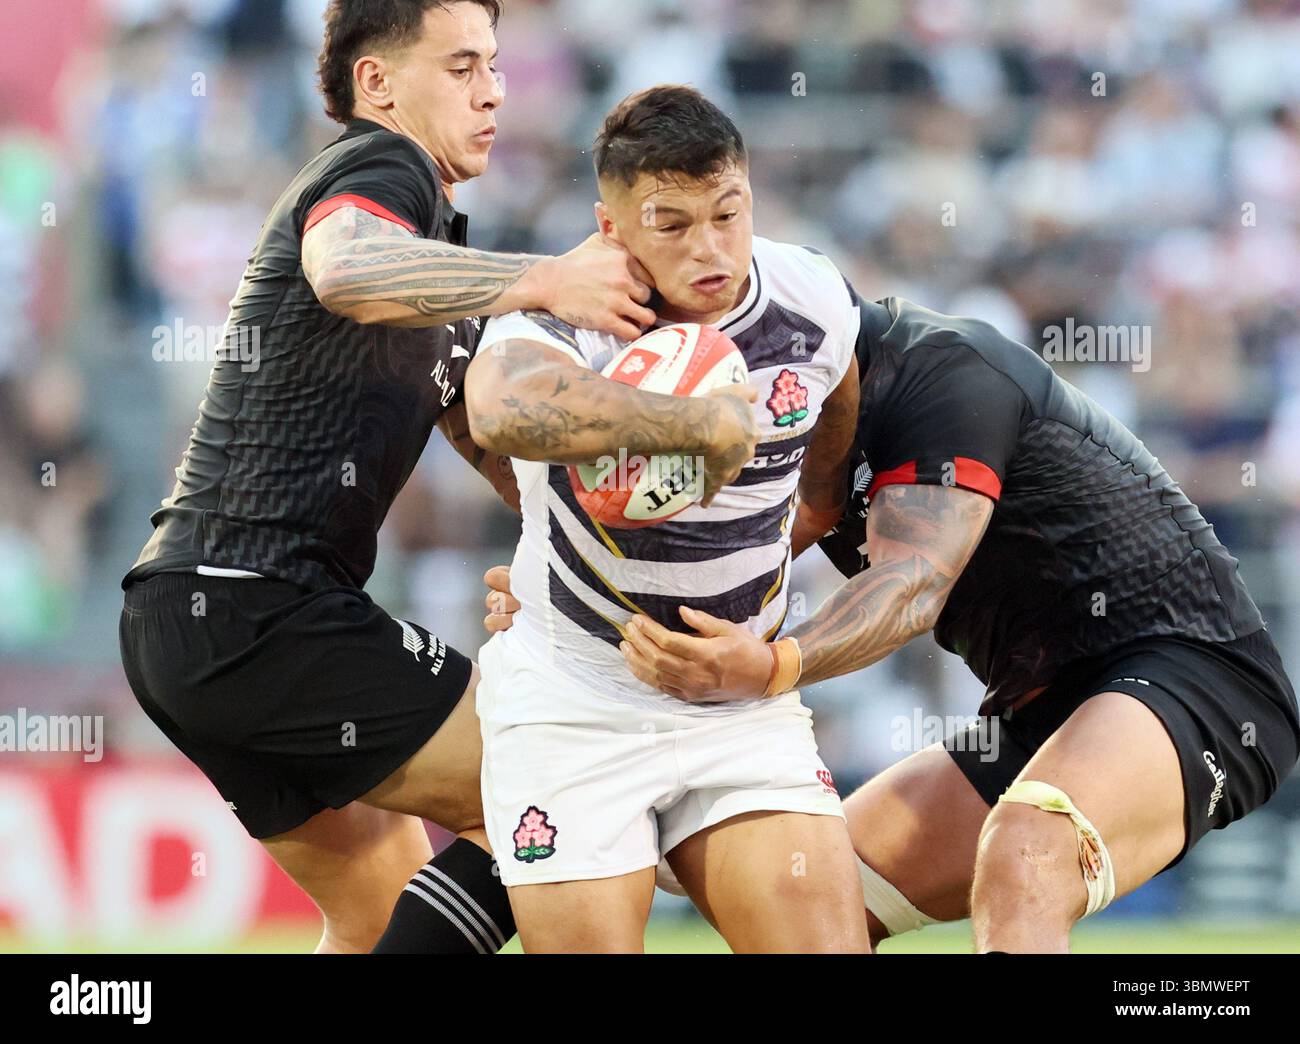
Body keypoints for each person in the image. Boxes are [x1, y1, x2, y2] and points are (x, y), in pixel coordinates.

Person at [119, 0, 655, 955]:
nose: (493, 89)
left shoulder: (437, 246)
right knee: (554, 779)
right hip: (261, 611)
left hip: (198, 616)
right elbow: (342, 266)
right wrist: (543, 277)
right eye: (460, 67)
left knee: (378, 918)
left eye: (493, 64)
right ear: (379, 85)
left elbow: (493, 451)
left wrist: (570, 570)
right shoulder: (381, 168)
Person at [595, 292, 1300, 952]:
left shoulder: (945, 373)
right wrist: (559, 596)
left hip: (1197, 674)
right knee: (801, 903)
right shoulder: (787, 432)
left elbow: (911, 588)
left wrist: (776, 667)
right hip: (1040, 710)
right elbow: (707, 590)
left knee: (1027, 854)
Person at [463, 85, 869, 953]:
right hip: (575, 699)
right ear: (610, 229)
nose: (711, 248)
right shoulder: (562, 312)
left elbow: (828, 459)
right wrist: (699, 427)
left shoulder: (812, 299)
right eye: (671, 224)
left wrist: (752, 623)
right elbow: (499, 410)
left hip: (739, 708)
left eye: (728, 213)